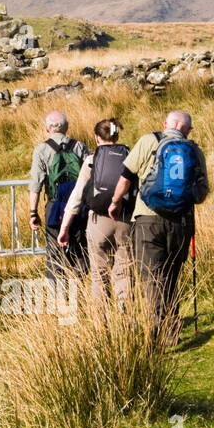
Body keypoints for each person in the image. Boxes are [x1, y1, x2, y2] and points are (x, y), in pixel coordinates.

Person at [108, 110, 210, 339]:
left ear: (166, 124)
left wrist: (115, 202)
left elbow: (126, 176)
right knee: (172, 275)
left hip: (147, 219)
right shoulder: (194, 151)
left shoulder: (148, 141)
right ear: (188, 130)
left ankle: (157, 332)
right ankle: (170, 328)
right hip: (181, 223)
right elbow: (201, 195)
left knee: (152, 276)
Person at [58, 118, 134, 307]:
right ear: (117, 135)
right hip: (124, 219)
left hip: (98, 221)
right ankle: (124, 309)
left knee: (99, 274)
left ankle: (102, 322)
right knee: (124, 270)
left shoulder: (92, 160)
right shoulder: (129, 156)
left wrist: (65, 227)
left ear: (96, 138)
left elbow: (77, 196)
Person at [29, 110, 89, 284]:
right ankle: (81, 294)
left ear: (47, 129)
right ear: (67, 127)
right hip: (79, 207)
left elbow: (36, 184)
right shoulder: (80, 147)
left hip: (55, 207)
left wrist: (33, 212)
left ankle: (60, 298)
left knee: (55, 255)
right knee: (81, 251)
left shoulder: (41, 150)